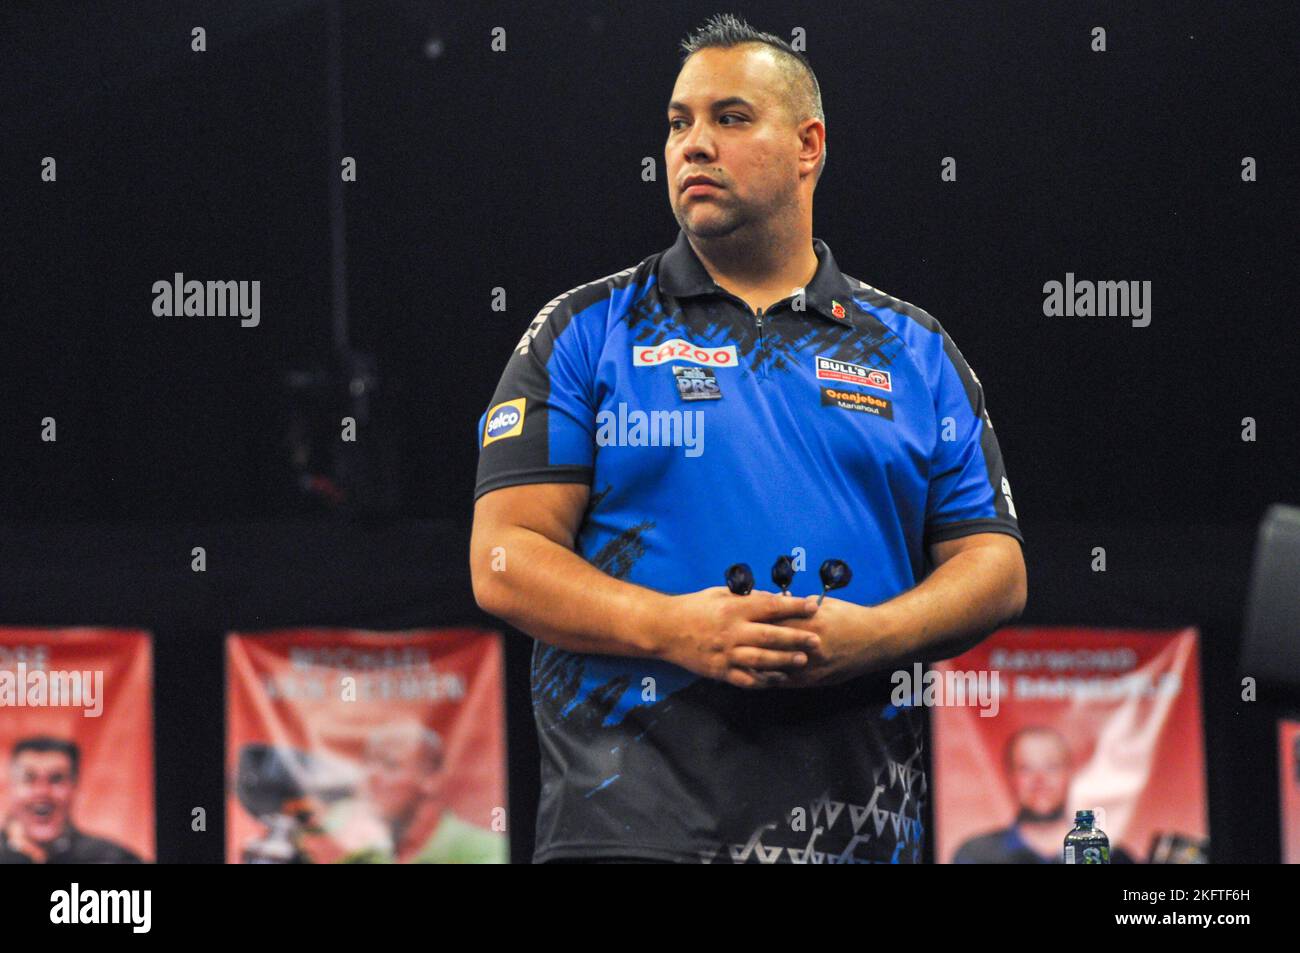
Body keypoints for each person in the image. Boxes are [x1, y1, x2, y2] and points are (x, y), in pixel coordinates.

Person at [471, 13, 1027, 864]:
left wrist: (874, 638)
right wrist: (672, 628)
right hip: (627, 832)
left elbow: (995, 568)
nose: (693, 144)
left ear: (809, 145)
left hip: (859, 831)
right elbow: (503, 556)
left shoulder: (915, 350)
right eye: (678, 122)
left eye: (729, 118)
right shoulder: (582, 331)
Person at [313, 723, 505, 864]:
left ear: (431, 779)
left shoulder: (484, 849)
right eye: (367, 764)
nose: (370, 778)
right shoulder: (338, 827)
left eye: (390, 765)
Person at [953, 727, 1135, 864]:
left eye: (1052, 767)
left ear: (1070, 774)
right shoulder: (976, 855)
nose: (1040, 780)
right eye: (1026, 768)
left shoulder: (1111, 857)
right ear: (1010, 777)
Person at [0, 736, 143, 864]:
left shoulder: (114, 859)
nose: (42, 791)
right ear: (11, 787)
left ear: (75, 787)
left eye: (56, 779)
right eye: (29, 779)